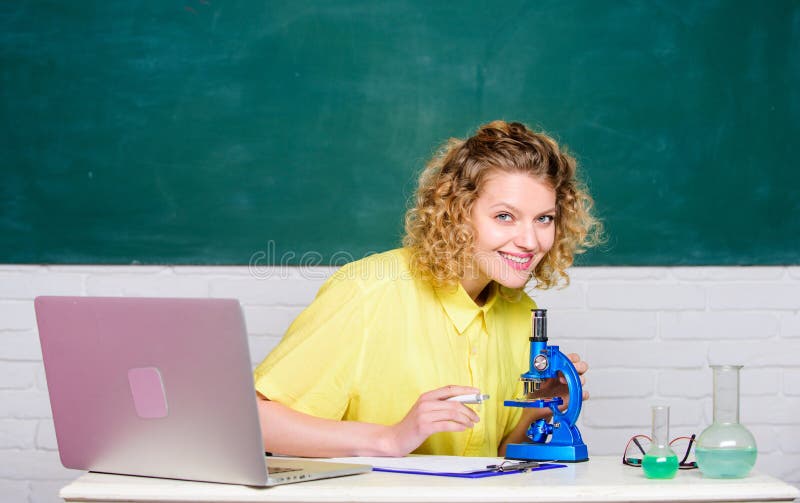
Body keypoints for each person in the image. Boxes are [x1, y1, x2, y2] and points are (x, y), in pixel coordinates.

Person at [253, 120, 603, 458]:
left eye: (544, 218)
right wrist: (390, 439)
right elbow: (255, 419)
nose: (530, 241)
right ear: (457, 213)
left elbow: (498, 458)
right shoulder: (368, 289)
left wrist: (539, 408)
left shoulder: (522, 312)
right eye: (504, 216)